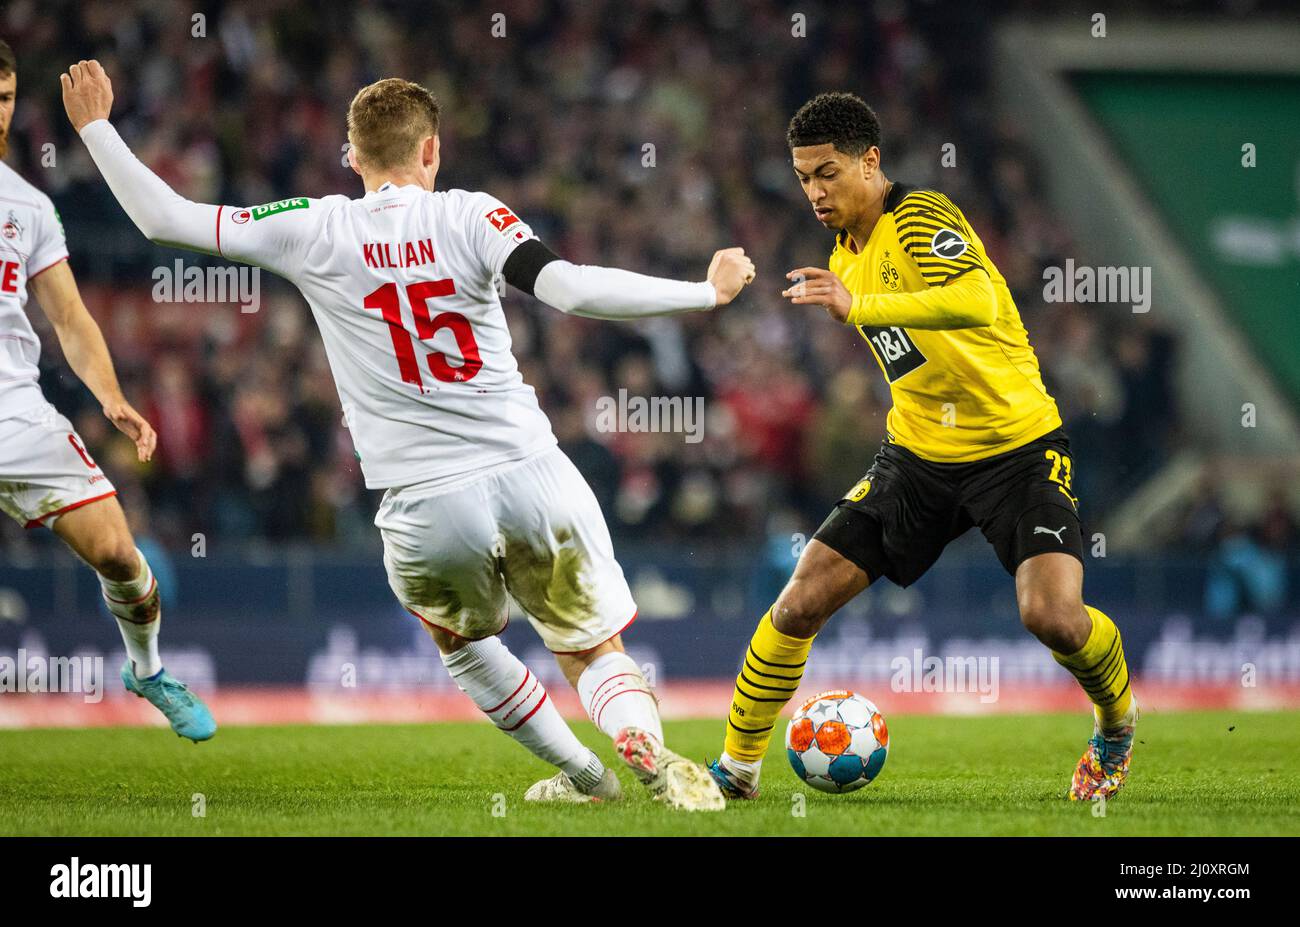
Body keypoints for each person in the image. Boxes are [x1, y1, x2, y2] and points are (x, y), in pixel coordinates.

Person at [63, 60, 756, 810]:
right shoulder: (474, 214)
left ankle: (588, 778)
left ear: (352, 158)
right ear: (432, 150)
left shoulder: (312, 225)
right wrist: (704, 290)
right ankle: (639, 741)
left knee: (461, 643)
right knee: (592, 648)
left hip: (423, 500)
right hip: (531, 471)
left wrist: (97, 126)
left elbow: (165, 218)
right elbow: (571, 288)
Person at [708, 92, 1136, 802]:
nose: (814, 191)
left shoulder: (922, 215)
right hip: (916, 458)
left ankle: (1116, 723)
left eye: (828, 173)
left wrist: (861, 307)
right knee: (798, 602)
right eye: (804, 176)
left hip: (1016, 448)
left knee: (1052, 616)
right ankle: (736, 772)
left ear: (871, 161)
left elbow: (975, 300)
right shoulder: (841, 257)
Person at [0, 40, 214, 742]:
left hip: (16, 414)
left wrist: (110, 396)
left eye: (4, 99)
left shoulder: (27, 206)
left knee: (123, 556)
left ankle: (147, 670)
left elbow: (69, 316)